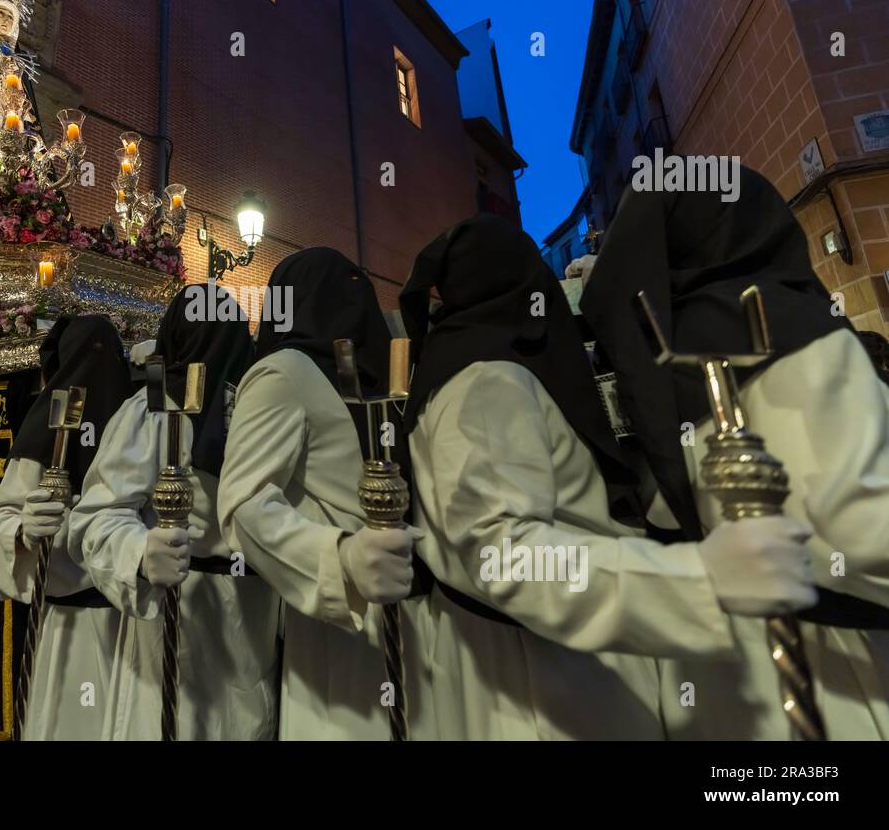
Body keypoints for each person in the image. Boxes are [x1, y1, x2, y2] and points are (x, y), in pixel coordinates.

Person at [401, 214, 815, 739]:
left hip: (534, 659)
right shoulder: (490, 380)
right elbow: (500, 550)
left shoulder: (466, 365)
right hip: (543, 682)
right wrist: (696, 580)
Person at [582, 166, 889, 739]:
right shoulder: (784, 325)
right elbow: (862, 529)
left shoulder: (663, 349)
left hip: (724, 678)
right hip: (838, 675)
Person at [217, 247, 424, 741]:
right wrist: (339, 559)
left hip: (412, 612)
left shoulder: (377, 376)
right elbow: (245, 503)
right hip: (342, 622)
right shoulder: (284, 373)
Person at [68, 282, 280, 739]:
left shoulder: (258, 410)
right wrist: (141, 552)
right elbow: (99, 516)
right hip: (171, 612)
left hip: (248, 618)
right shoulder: (150, 410)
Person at [0, 316, 132, 740]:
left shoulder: (135, 421)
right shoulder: (44, 427)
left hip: (130, 619)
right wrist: (25, 530)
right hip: (68, 621)